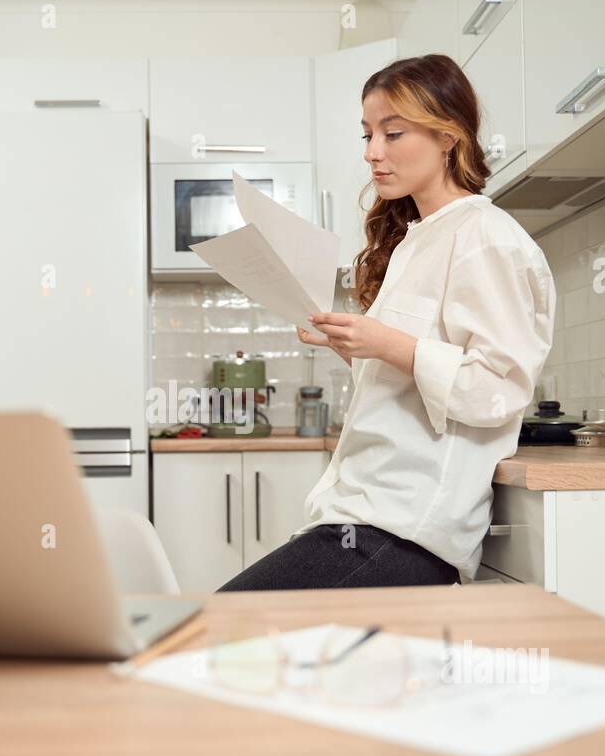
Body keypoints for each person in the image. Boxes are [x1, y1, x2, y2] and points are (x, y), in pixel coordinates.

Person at [217, 54, 556, 592]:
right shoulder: (414, 241)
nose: (373, 153)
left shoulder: (486, 237)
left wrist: (385, 340)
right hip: (364, 510)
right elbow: (414, 374)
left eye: (393, 133)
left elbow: (498, 390)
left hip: (406, 529)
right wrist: (353, 346)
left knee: (225, 629)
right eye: (368, 134)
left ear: (448, 137)